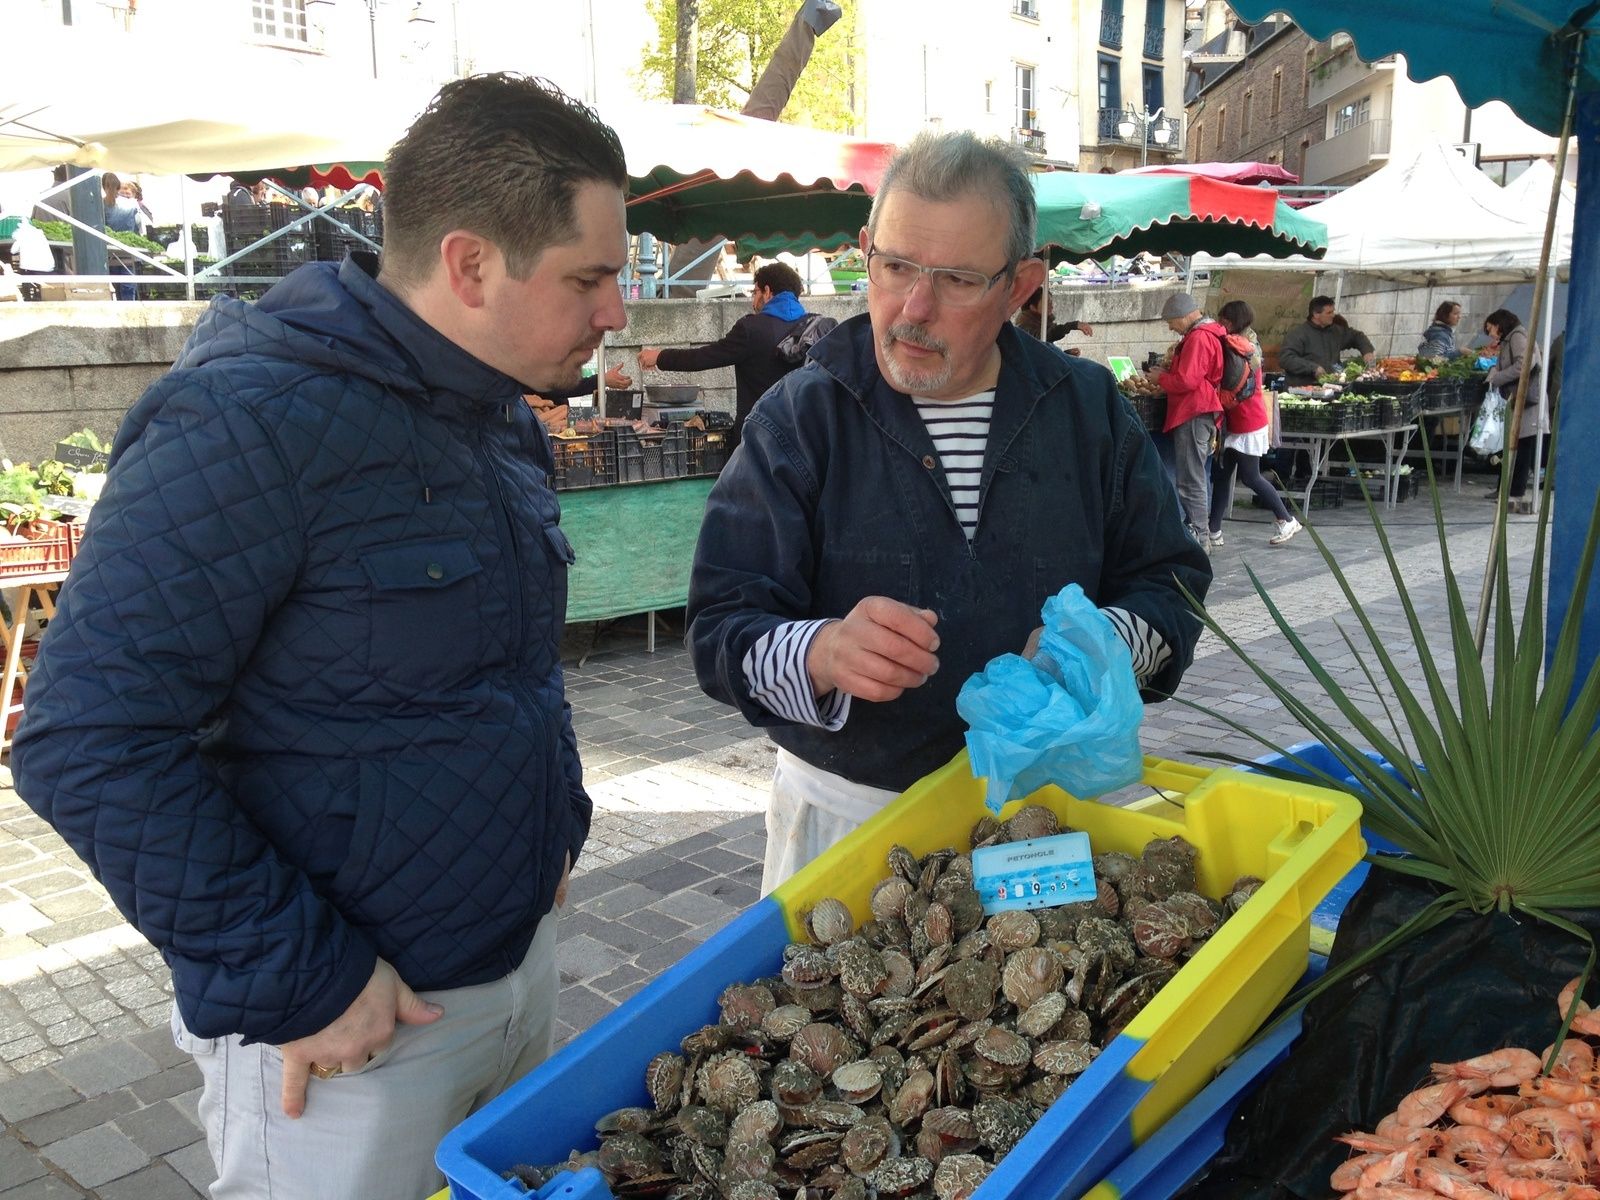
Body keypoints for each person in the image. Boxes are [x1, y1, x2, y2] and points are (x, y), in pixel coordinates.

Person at [11, 73, 627, 1200]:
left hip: (505, 974)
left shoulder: (492, 411)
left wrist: (556, 837)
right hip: (353, 1029)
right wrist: (297, 976)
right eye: (590, 277)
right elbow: (85, 740)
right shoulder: (248, 421)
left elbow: (504, 677)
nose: (615, 312)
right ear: (470, 263)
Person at [685, 130, 1210, 891]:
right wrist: (821, 653)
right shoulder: (801, 417)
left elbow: (1173, 583)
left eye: (959, 280)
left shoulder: (1086, 409)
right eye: (894, 266)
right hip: (848, 821)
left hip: (1043, 822)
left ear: (1021, 285)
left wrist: (1110, 642)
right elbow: (718, 630)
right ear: (865, 249)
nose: (912, 308)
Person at [638, 261, 815, 449]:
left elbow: (704, 357)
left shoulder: (751, 329)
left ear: (767, 291)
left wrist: (660, 357)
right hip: (802, 438)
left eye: (754, 293)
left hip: (758, 437)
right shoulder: (812, 328)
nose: (752, 301)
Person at [1205, 300, 1301, 548]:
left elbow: (1231, 386)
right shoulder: (1248, 344)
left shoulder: (1238, 348)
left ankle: (1286, 519)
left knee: (1250, 476)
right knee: (1222, 475)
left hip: (1246, 421)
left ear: (1230, 321)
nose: (1219, 323)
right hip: (1240, 420)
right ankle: (1213, 530)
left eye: (1222, 319)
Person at [1149, 292, 1225, 548]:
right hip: (1201, 410)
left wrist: (1160, 378)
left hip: (1194, 412)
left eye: (1171, 321)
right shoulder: (1208, 334)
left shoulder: (1199, 338)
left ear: (1184, 315)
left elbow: (1187, 381)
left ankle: (1200, 538)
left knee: (1191, 478)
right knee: (1195, 476)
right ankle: (1199, 532)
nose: (1171, 327)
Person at [1482, 307, 1546, 515]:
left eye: (1490, 329)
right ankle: (1505, 489)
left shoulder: (1518, 336)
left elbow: (1525, 364)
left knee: (1523, 445)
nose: (1490, 334)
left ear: (1500, 325)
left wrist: (1497, 377)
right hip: (1518, 399)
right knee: (1513, 444)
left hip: (1526, 400)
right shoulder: (1512, 338)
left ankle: (1515, 492)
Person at [1279, 296, 1377, 385]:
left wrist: (1367, 351)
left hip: (1332, 387)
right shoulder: (1298, 334)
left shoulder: (1336, 331)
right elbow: (1286, 358)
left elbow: (1357, 336)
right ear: (1316, 314)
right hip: (1304, 388)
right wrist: (1313, 368)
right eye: (1329, 313)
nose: (1333, 315)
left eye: (1333, 311)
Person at [1014, 284, 1093, 354]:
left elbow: (1046, 352)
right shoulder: (1024, 325)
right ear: (1033, 308)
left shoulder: (1040, 322)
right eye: (1047, 303)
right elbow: (1044, 337)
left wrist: (1065, 354)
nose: (1051, 306)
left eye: (1051, 302)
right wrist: (1073, 325)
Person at [102, 172, 140, 300]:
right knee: (128, 291)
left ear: (103, 187)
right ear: (118, 187)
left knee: (114, 292)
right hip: (127, 254)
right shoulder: (131, 205)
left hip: (109, 256)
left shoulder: (100, 206)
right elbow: (138, 228)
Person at [10, 215, 56, 301]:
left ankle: (27, 297)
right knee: (40, 283)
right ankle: (39, 296)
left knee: (25, 278)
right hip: (46, 266)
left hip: (30, 267)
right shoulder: (39, 233)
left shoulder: (21, 235)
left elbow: (13, 251)